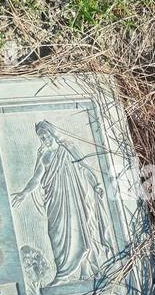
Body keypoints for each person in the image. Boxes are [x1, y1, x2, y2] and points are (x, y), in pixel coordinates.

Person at [10, 120, 113, 285]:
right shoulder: (44, 157)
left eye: (46, 135)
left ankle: (80, 272)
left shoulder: (67, 148)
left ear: (52, 133)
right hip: (54, 202)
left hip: (72, 197)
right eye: (41, 137)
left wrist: (96, 184)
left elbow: (84, 166)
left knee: (78, 230)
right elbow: (36, 179)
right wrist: (24, 193)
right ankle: (63, 271)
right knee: (55, 234)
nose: (45, 139)